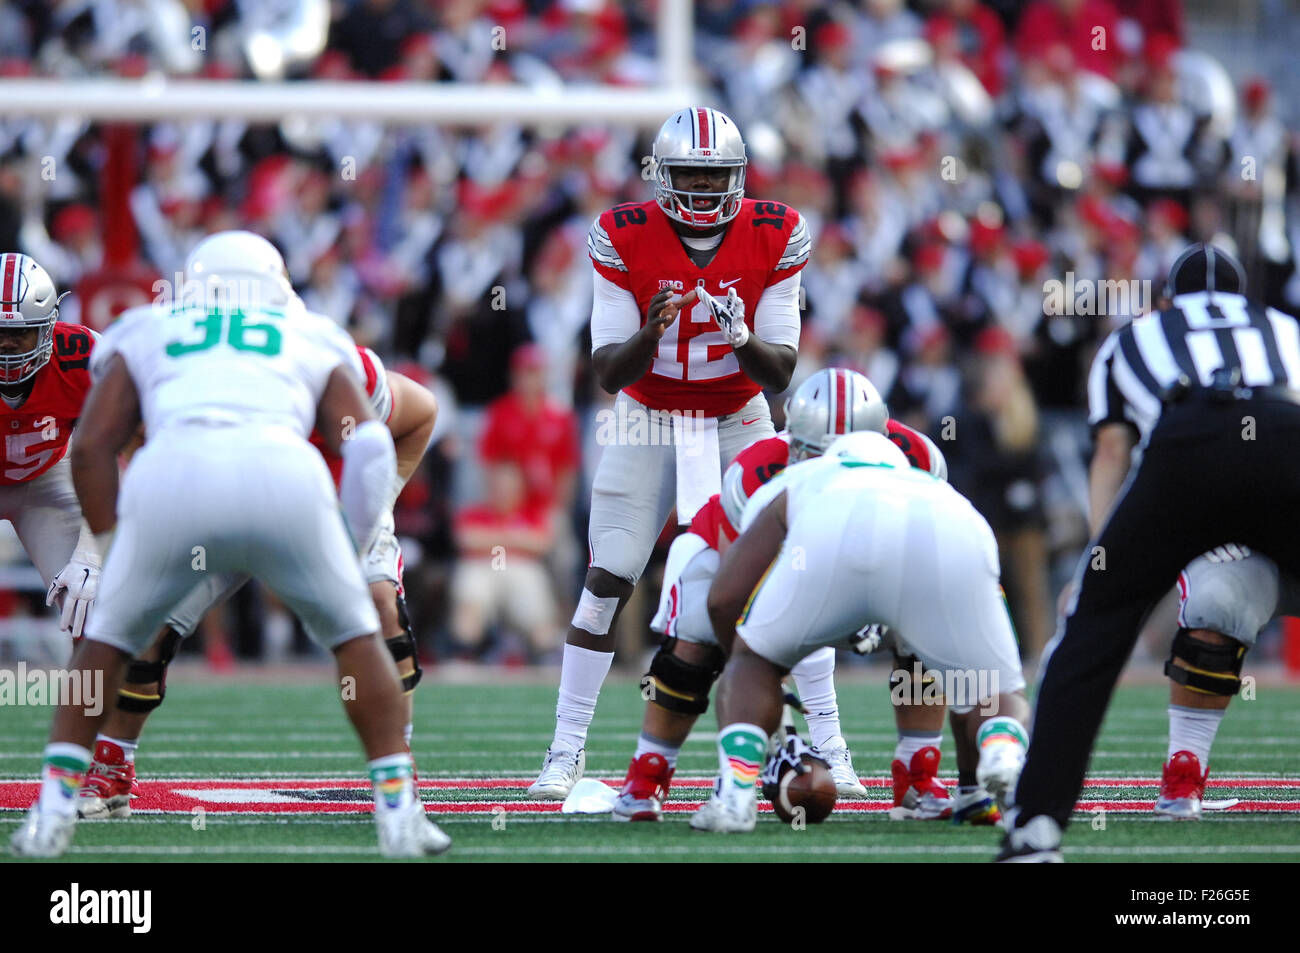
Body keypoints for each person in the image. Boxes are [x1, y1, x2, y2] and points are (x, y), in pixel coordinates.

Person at [10, 230, 449, 858]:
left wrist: (107, 546)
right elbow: (373, 445)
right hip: (286, 485)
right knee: (358, 637)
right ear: (278, 288)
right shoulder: (311, 333)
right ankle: (399, 808)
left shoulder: (147, 327)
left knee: (108, 639)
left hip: (177, 480)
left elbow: (94, 446)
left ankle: (53, 809)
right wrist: (355, 537)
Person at [529, 106, 808, 798]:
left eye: (716, 177)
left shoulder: (778, 231)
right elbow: (608, 371)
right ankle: (564, 752)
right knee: (605, 585)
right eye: (689, 174)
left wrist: (741, 336)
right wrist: (651, 333)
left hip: (737, 415)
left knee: (782, 576)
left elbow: (779, 374)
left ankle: (829, 743)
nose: (705, 190)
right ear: (662, 174)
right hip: (646, 413)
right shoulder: (621, 233)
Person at [1000, 243, 1300, 861]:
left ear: (1166, 300)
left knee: (1090, 634)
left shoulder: (1137, 335)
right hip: (1284, 439)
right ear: (1244, 302)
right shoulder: (1282, 329)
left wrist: (1099, 565)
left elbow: (1112, 451)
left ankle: (1036, 827)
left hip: (1186, 448)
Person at [614, 367, 1000, 823]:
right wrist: (765, 693)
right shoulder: (757, 471)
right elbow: (730, 594)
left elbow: (934, 560)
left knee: (931, 626)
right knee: (696, 638)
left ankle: (919, 777)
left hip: (877, 564)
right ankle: (649, 775)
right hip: (761, 569)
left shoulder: (921, 457)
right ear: (793, 440)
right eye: (818, 456)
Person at [76, 343, 439, 820]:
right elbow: (129, 440)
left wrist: (380, 503)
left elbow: (421, 413)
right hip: (227, 506)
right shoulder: (194, 375)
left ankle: (397, 763)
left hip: (324, 512)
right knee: (148, 620)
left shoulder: (337, 366)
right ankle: (113, 763)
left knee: (378, 605)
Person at [692, 431, 1030, 832]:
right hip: (947, 540)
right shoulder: (941, 494)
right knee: (986, 685)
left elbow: (723, 599)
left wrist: (745, 661)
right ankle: (995, 757)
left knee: (753, 662)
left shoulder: (799, 479)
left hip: (827, 552)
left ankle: (736, 794)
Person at [0, 253, 101, 643]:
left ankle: (94, 703)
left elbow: (119, 453)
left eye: (20, 333)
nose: (8, 346)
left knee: (94, 609)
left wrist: (90, 552)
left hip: (47, 482)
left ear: (47, 329)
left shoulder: (84, 356)